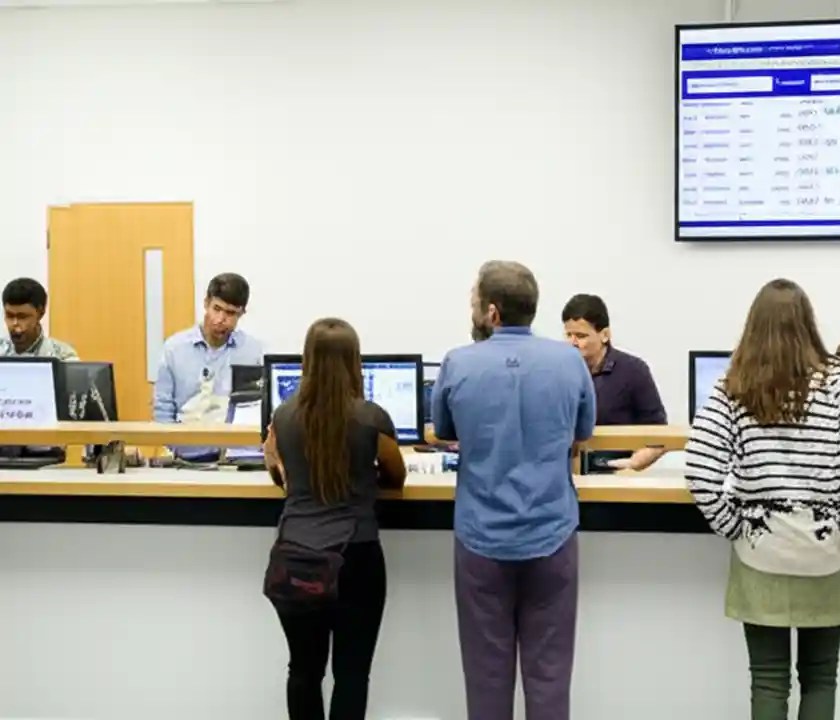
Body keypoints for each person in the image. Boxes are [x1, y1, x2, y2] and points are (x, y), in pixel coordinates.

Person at [684, 278, 840, 720]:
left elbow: (699, 468)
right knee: (821, 677)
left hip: (760, 550)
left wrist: (734, 526)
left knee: (767, 678)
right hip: (824, 550)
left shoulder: (734, 386)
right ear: (808, 323)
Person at [433, 260, 595, 720]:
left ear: (492, 312)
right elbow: (583, 431)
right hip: (552, 533)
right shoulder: (569, 360)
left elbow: (443, 430)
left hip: (481, 537)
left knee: (486, 677)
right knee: (550, 677)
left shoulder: (458, 362)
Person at [262, 317, 407, 720]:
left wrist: (276, 462)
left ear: (307, 360)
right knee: (352, 674)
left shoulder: (283, 416)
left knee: (303, 671)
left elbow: (282, 478)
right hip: (356, 556)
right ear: (354, 361)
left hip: (296, 555)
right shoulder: (372, 418)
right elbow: (396, 477)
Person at [153, 273, 263, 459]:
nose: (220, 319)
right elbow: (163, 410)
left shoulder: (251, 352)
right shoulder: (174, 349)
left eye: (230, 313)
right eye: (216, 309)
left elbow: (255, 408)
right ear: (206, 303)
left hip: (236, 457)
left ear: (241, 313)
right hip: (186, 458)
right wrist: (175, 450)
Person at [562, 293, 667, 471]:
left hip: (617, 473)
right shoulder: (559, 371)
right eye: (568, 335)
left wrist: (632, 464)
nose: (573, 343)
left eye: (581, 336)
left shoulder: (634, 371)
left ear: (604, 335)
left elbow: (659, 435)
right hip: (567, 474)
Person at [1, 278, 78, 359]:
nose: (14, 323)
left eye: (22, 317)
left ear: (40, 313)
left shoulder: (62, 356)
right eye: (9, 316)